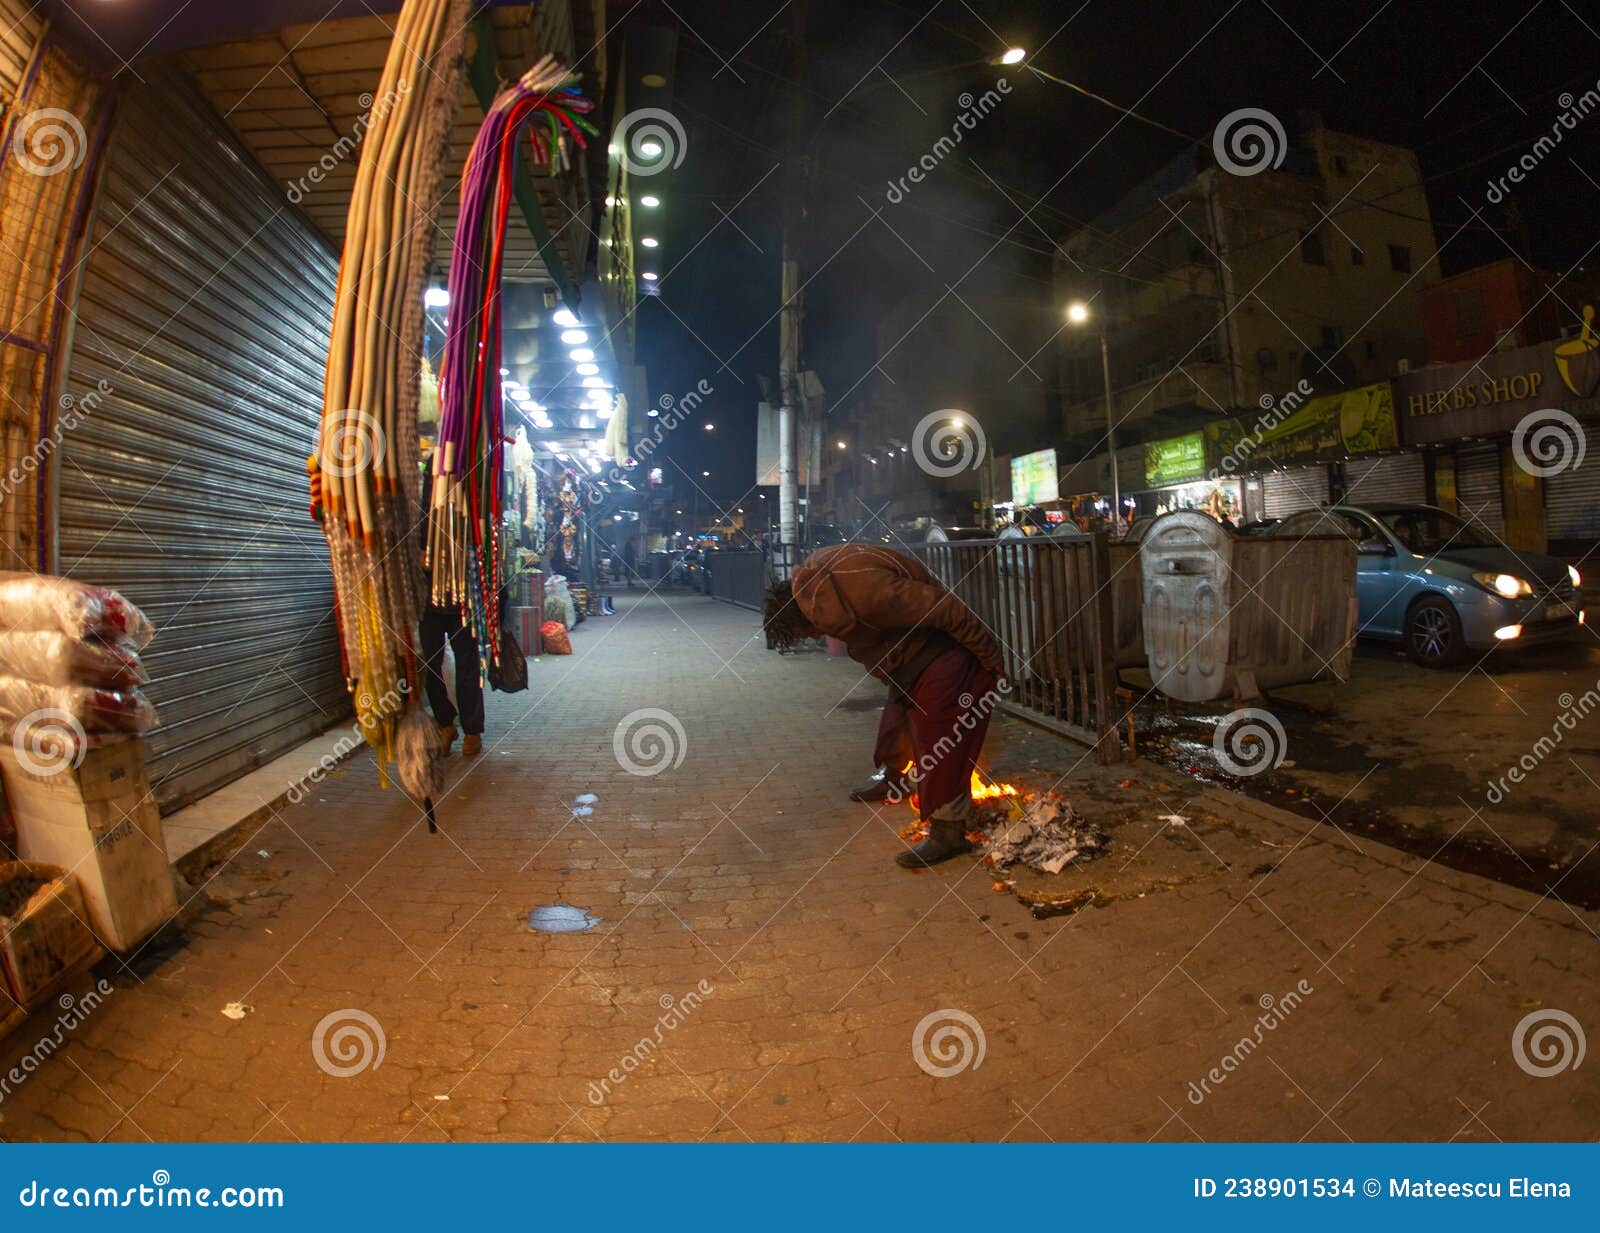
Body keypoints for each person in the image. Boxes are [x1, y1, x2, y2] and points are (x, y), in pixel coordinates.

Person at [762, 544, 1006, 868]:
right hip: (908, 656)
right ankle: (894, 780)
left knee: (939, 739)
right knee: (896, 723)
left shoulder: (867, 594)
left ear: (808, 617)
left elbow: (947, 609)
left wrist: (992, 659)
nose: (816, 637)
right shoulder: (815, 584)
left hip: (945, 653)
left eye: (809, 634)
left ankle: (948, 831)